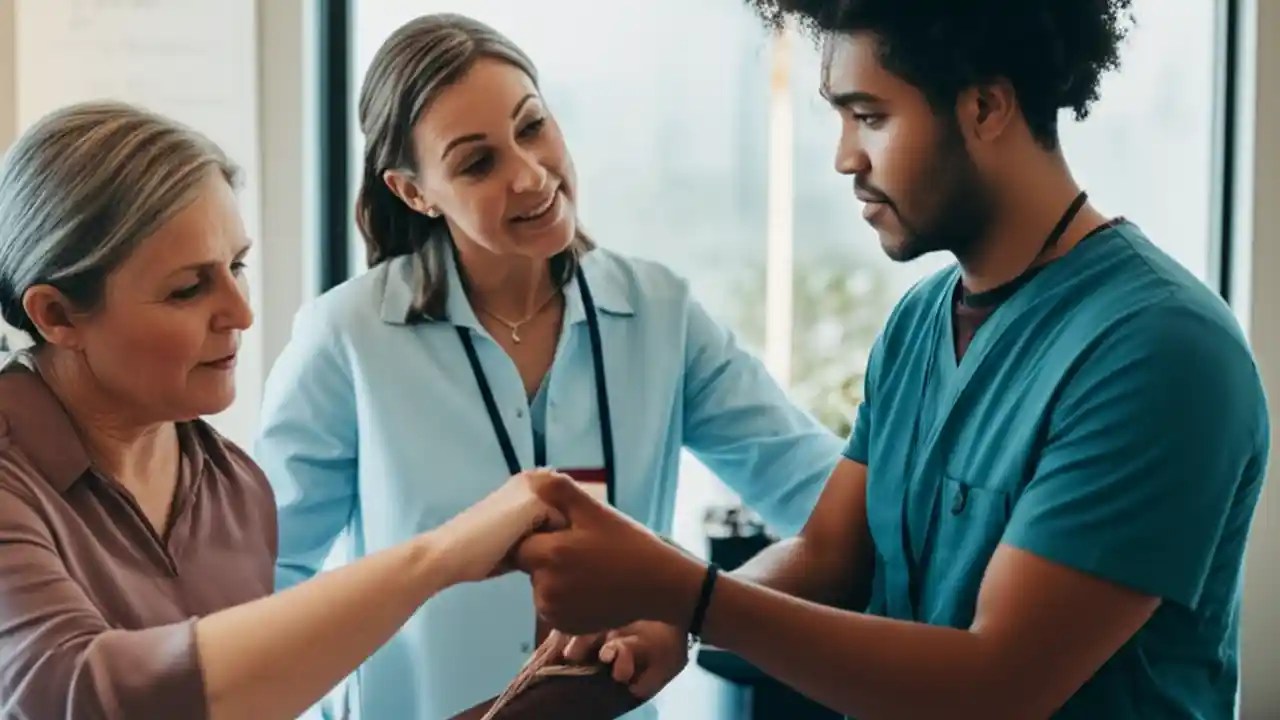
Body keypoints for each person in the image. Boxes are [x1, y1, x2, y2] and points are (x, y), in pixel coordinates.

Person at [512, 1, 1272, 718]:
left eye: (870, 117)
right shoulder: (920, 321)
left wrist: (691, 594)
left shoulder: (1162, 351)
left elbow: (998, 689)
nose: (845, 157)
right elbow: (829, 557)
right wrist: (671, 616)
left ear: (985, 108)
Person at [254, 11, 844, 720]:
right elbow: (264, 587)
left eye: (532, 126)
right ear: (414, 191)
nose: (531, 175)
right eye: (478, 163)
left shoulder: (661, 313)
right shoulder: (346, 337)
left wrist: (688, 609)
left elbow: (825, 497)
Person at [0, 101, 567, 720]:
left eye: (236, 267)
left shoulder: (235, 488)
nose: (241, 313)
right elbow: (73, 692)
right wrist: (437, 558)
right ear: (56, 315)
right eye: (188, 289)